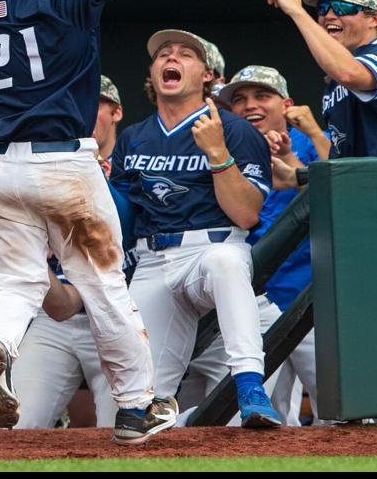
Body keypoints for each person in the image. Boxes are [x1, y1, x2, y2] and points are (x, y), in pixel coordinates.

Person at [0, 0, 176, 442]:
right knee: (103, 286)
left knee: (16, 282)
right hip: (63, 164)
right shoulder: (66, 0)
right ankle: (134, 410)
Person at [262, 0, 377, 427]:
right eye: (322, 7)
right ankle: (374, 434)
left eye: (341, 7)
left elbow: (347, 70)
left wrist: (295, 10)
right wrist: (299, 176)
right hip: (366, 216)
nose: (328, 14)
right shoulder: (337, 81)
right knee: (359, 335)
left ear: (374, 17)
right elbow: (350, 160)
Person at [112, 28, 279, 427]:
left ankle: (250, 384)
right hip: (152, 259)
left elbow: (246, 214)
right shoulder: (134, 138)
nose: (172, 58)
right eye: (163, 54)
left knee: (225, 261)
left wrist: (219, 153)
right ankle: (183, 422)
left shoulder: (236, 130)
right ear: (153, 74)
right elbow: (121, 218)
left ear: (207, 75)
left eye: (186, 54)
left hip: (212, 247)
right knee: (140, 406)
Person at [179, 64, 327, 423]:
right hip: (253, 302)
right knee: (272, 417)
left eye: (262, 95)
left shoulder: (306, 145)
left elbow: (345, 192)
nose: (250, 105)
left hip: (311, 304)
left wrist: (298, 155)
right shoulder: (221, 150)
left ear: (286, 103)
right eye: (240, 99)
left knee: (340, 410)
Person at [11, 76, 131, 429]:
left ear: (116, 112)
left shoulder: (134, 162)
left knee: (123, 431)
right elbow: (59, 304)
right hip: (55, 319)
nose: (77, 111)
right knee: (14, 425)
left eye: (91, 102)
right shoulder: (39, 172)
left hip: (117, 311)